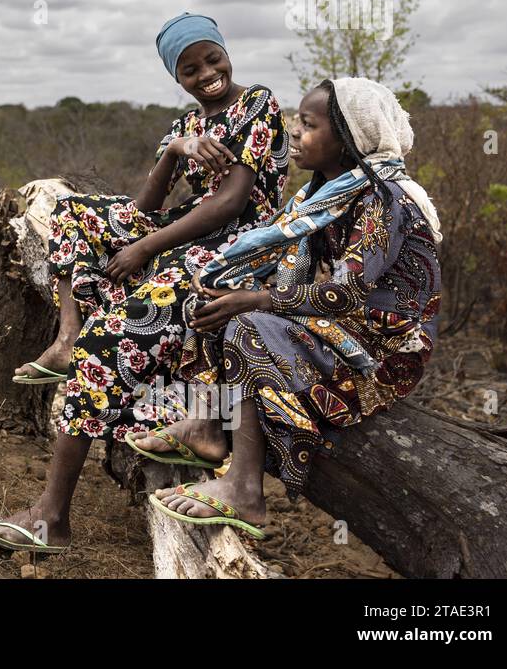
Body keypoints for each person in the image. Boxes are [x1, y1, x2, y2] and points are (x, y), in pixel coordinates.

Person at [0, 13, 289, 554]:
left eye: (212, 58)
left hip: (238, 247)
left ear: (226, 52)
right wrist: (175, 151)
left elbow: (233, 202)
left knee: (111, 336)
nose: (207, 73)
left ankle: (53, 514)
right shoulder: (185, 125)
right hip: (186, 234)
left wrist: (144, 248)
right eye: (190, 68)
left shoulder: (256, 105)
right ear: (176, 77)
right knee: (74, 214)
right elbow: (145, 208)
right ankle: (69, 334)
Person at [139, 78, 442, 538]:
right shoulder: (324, 196)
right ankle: (205, 426)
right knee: (218, 290)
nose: (294, 132)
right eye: (297, 122)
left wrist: (259, 300)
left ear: (348, 140)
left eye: (309, 124)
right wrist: (238, 288)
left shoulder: (384, 199)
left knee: (246, 323)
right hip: (349, 327)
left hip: (384, 350)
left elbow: (344, 293)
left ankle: (245, 489)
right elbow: (279, 264)